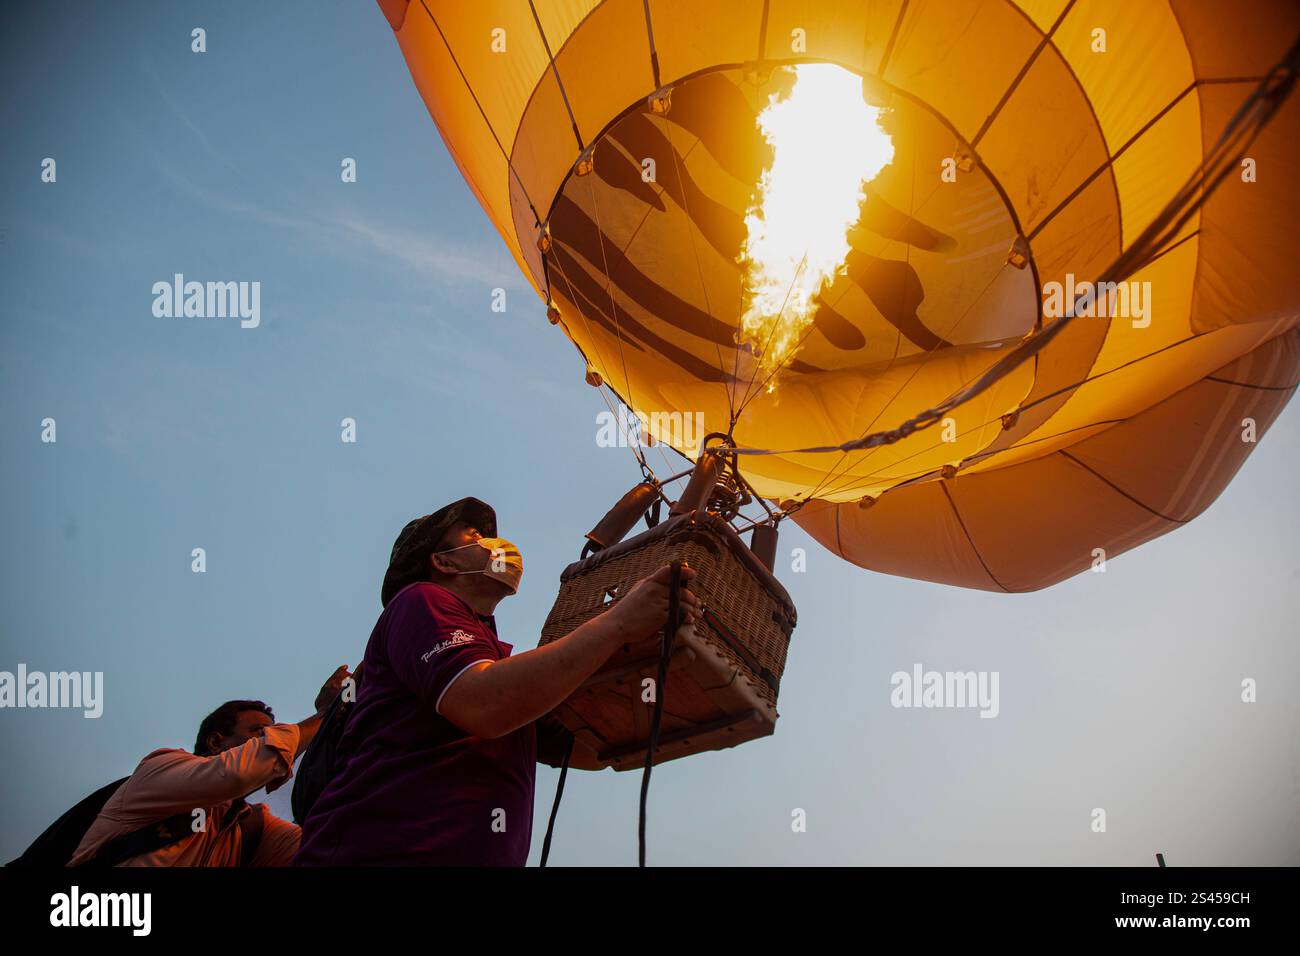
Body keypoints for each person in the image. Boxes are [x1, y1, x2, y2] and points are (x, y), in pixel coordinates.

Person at [294, 496, 699, 866]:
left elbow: (593, 749)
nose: (495, 543)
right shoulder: (421, 600)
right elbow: (483, 703)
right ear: (444, 562)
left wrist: (661, 661)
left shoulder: (498, 661)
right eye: (474, 534)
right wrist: (618, 624)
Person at [68, 667, 350, 866]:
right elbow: (237, 774)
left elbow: (326, 849)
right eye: (259, 732)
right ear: (215, 742)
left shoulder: (246, 828)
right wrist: (326, 715)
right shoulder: (159, 770)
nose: (269, 739)